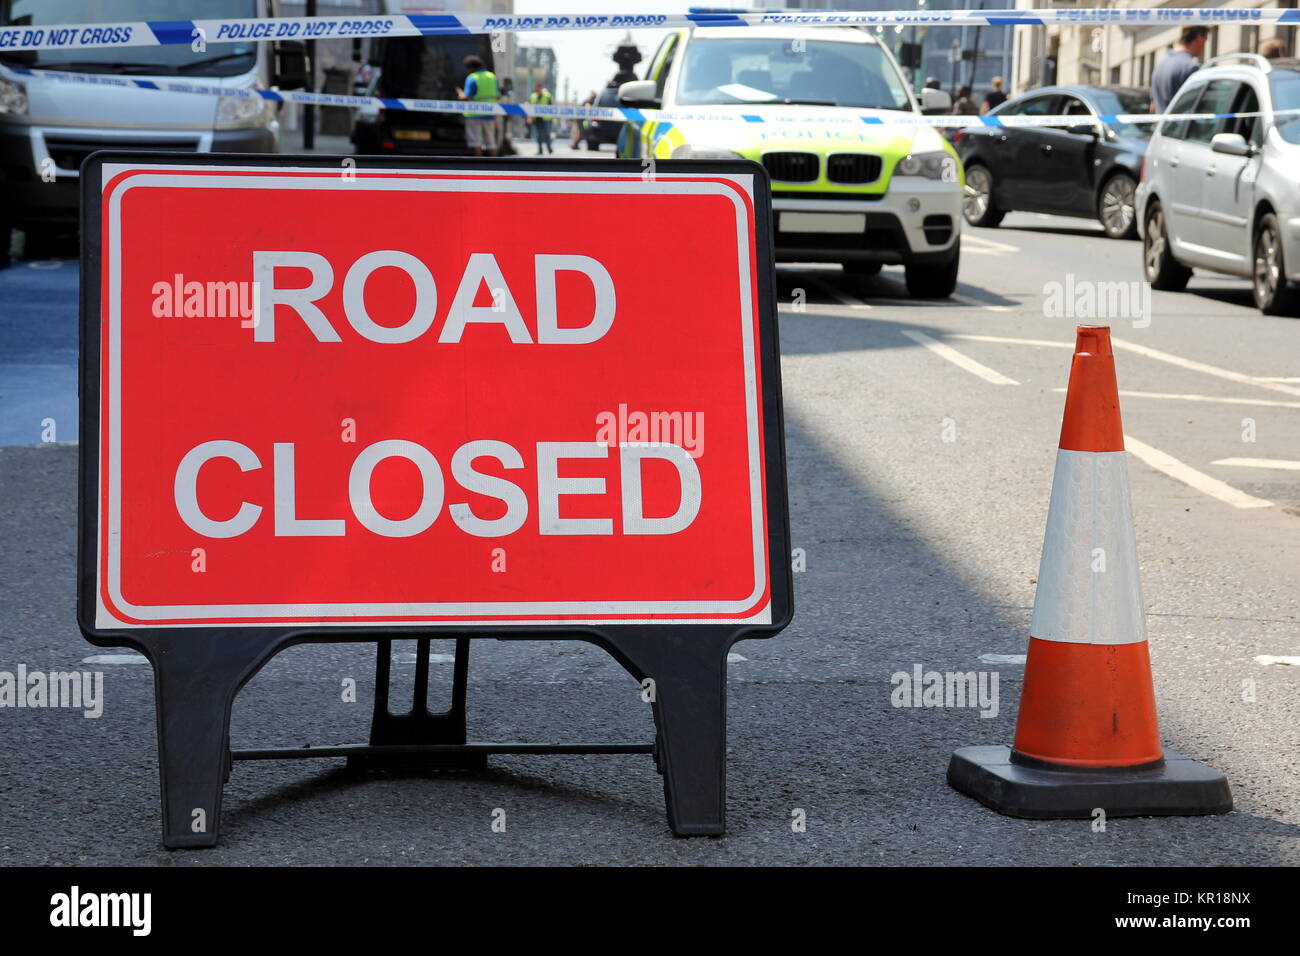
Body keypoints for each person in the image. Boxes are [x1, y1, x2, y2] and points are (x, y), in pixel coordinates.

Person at [1150, 26, 1210, 113]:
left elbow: (1153, 107)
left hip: (1162, 125)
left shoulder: (1160, 66)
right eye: (1205, 40)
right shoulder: (1192, 67)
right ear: (1199, 39)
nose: (1204, 46)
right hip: (1182, 125)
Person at [456, 54, 500, 157]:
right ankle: (495, 166)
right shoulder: (492, 76)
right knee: (491, 142)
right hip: (490, 113)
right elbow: (497, 95)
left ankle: (478, 167)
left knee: (476, 142)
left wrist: (460, 94)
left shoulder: (472, 78)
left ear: (471, 68)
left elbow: (467, 97)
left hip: (474, 114)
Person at [528, 81, 554, 155]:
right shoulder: (533, 96)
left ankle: (549, 149)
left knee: (547, 134)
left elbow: (551, 106)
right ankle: (540, 150)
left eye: (537, 88)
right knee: (538, 135)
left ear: (540, 88)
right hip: (537, 119)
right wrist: (530, 117)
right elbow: (530, 107)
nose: (536, 89)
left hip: (546, 119)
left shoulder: (547, 95)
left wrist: (553, 117)